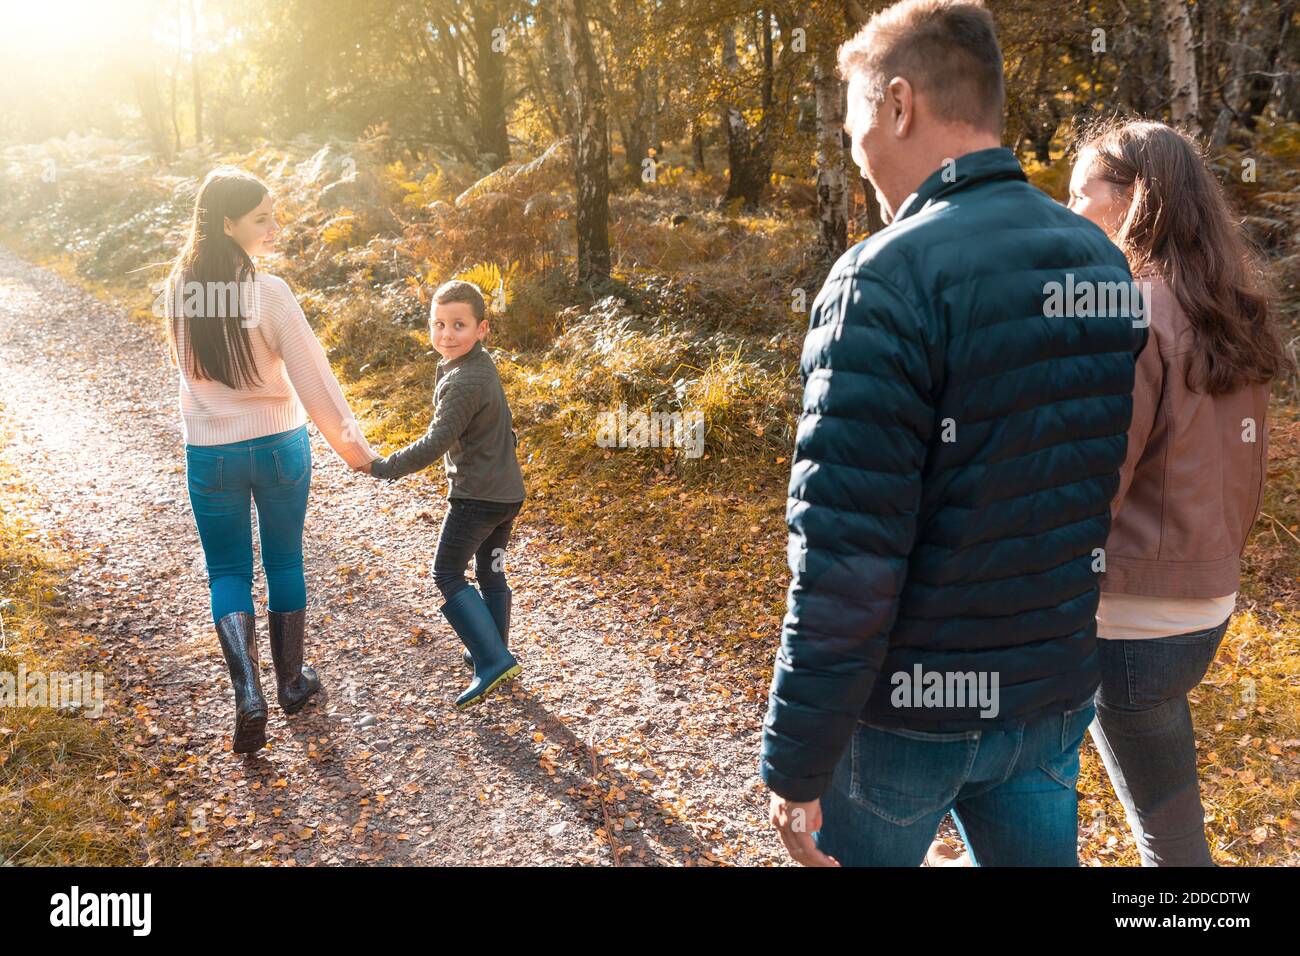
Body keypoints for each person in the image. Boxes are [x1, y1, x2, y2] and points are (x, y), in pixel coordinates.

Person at [760, 0, 1146, 866]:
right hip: (1046, 698)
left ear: (899, 107)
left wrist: (797, 758)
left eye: (856, 119)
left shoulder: (882, 279)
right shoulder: (1096, 261)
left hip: (908, 722)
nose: (854, 147)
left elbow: (845, 558)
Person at [1066, 119, 1290, 865]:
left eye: (1080, 195)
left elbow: (1091, 484)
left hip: (1131, 619)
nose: (1069, 214)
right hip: (1206, 603)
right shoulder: (1226, 307)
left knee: (1169, 843)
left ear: (1134, 201)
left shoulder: (1127, 308)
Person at [166, 166, 379, 754]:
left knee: (227, 572)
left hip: (211, 452)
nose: (274, 226)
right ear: (228, 222)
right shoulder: (270, 292)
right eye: (263, 218)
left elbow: (188, 376)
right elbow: (315, 380)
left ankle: (248, 695)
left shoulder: (177, 290)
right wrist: (354, 450)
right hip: (280, 444)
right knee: (284, 561)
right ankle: (290, 684)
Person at [361, 279, 526, 709]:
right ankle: (490, 647)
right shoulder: (479, 366)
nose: (446, 335)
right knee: (490, 571)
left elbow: (435, 443)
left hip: (478, 500)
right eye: (438, 324)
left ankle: (491, 659)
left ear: (482, 328)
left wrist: (382, 467)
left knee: (447, 573)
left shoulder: (465, 379)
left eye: (458, 325)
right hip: (507, 495)